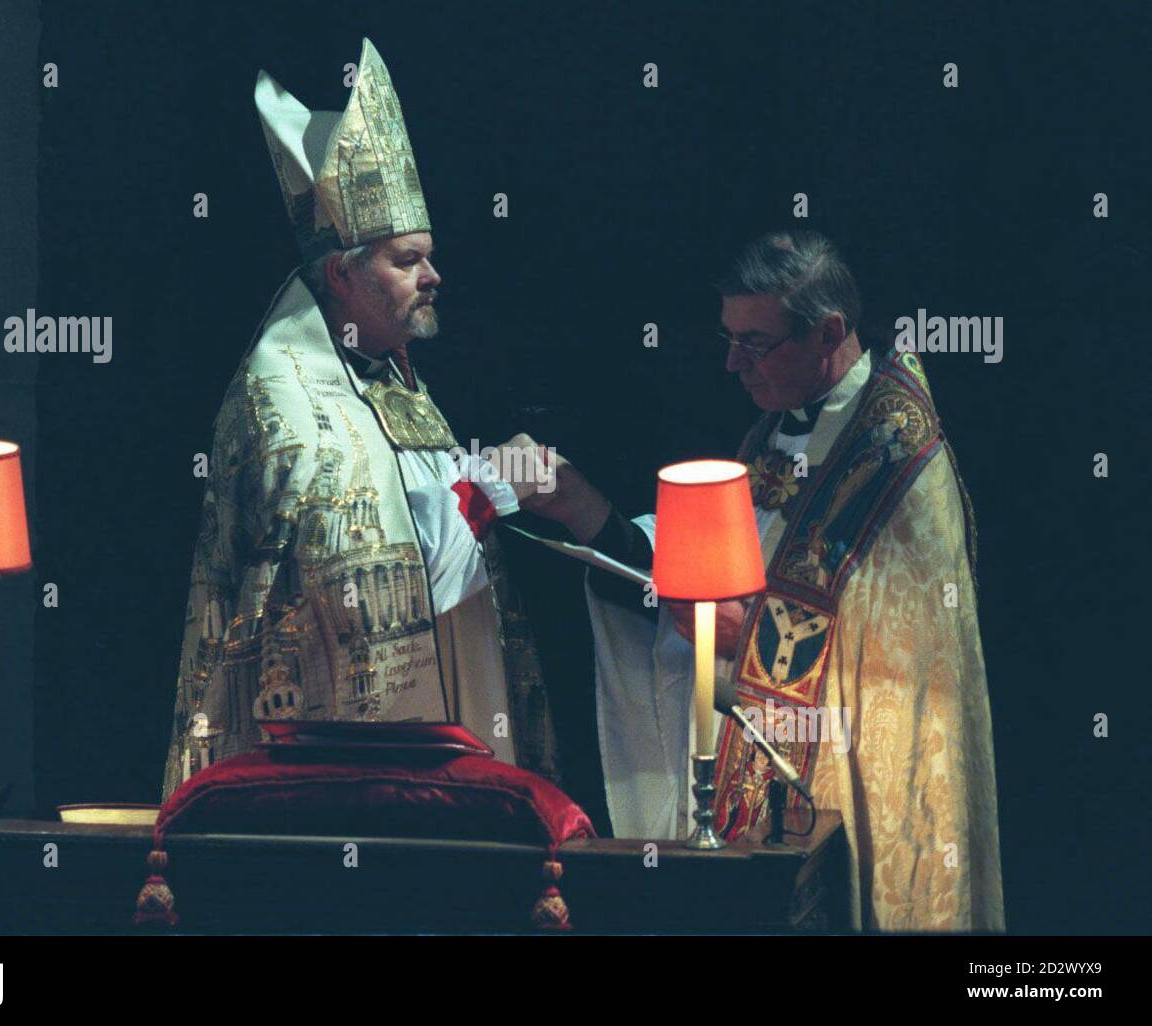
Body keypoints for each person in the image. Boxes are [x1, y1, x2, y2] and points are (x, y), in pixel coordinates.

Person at [520, 230, 1004, 931]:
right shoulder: (776, 429)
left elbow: (899, 661)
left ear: (830, 333)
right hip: (758, 766)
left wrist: (743, 634)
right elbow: (733, 564)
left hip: (845, 775)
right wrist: (580, 510)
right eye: (728, 337)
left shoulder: (896, 454)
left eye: (754, 342)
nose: (731, 364)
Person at [161, 39, 558, 801]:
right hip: (336, 749)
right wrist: (484, 488)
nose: (434, 276)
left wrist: (483, 487)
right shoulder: (282, 392)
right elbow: (337, 584)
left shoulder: (395, 375)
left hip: (449, 722)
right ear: (342, 273)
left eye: (429, 257)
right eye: (408, 260)